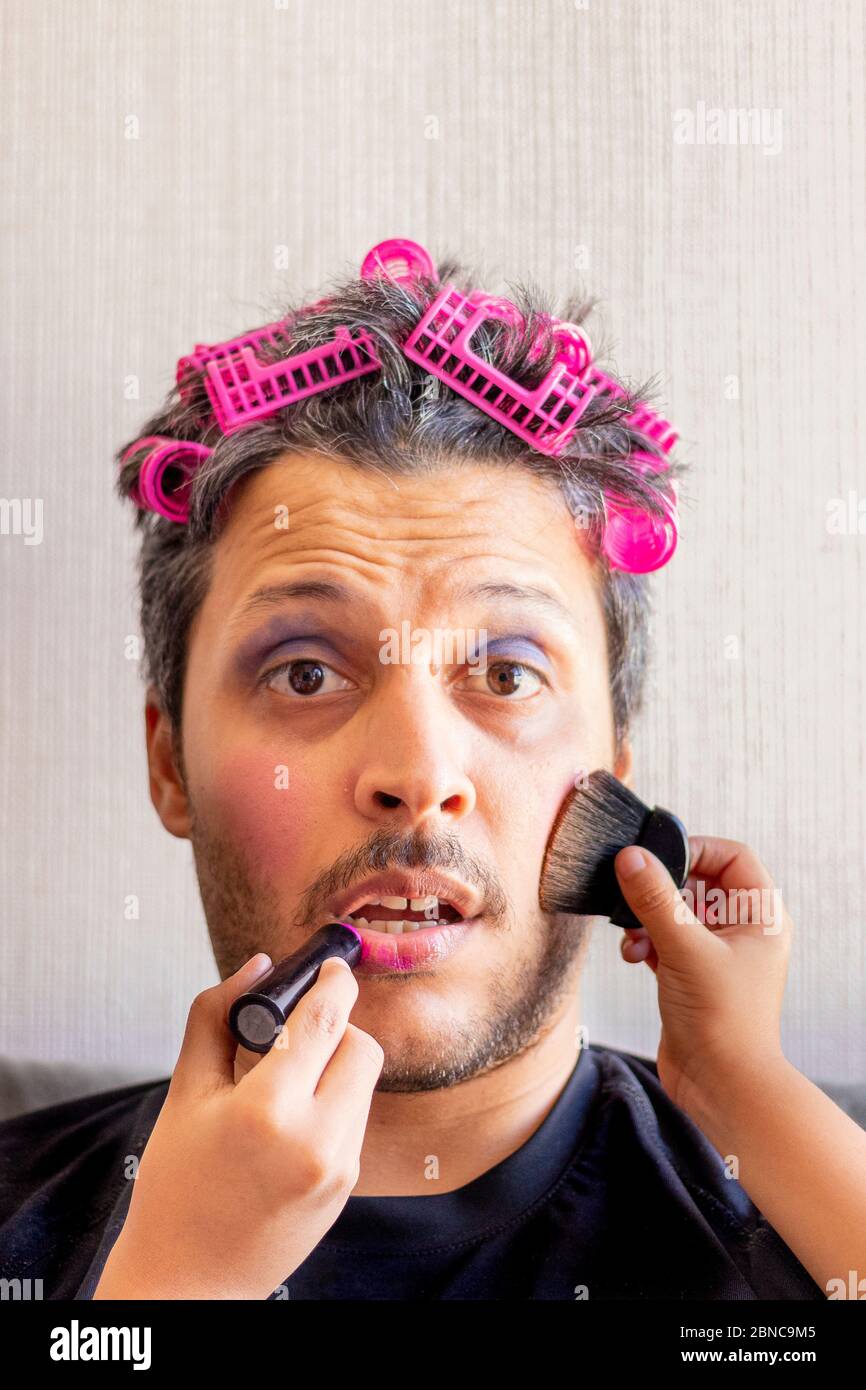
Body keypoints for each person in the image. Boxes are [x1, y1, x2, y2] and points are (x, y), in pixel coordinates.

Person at [1, 240, 862, 1300]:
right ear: (168, 759)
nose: (416, 772)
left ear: (614, 768)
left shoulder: (811, 1208)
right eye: (306, 671)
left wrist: (748, 1095)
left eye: (504, 673)